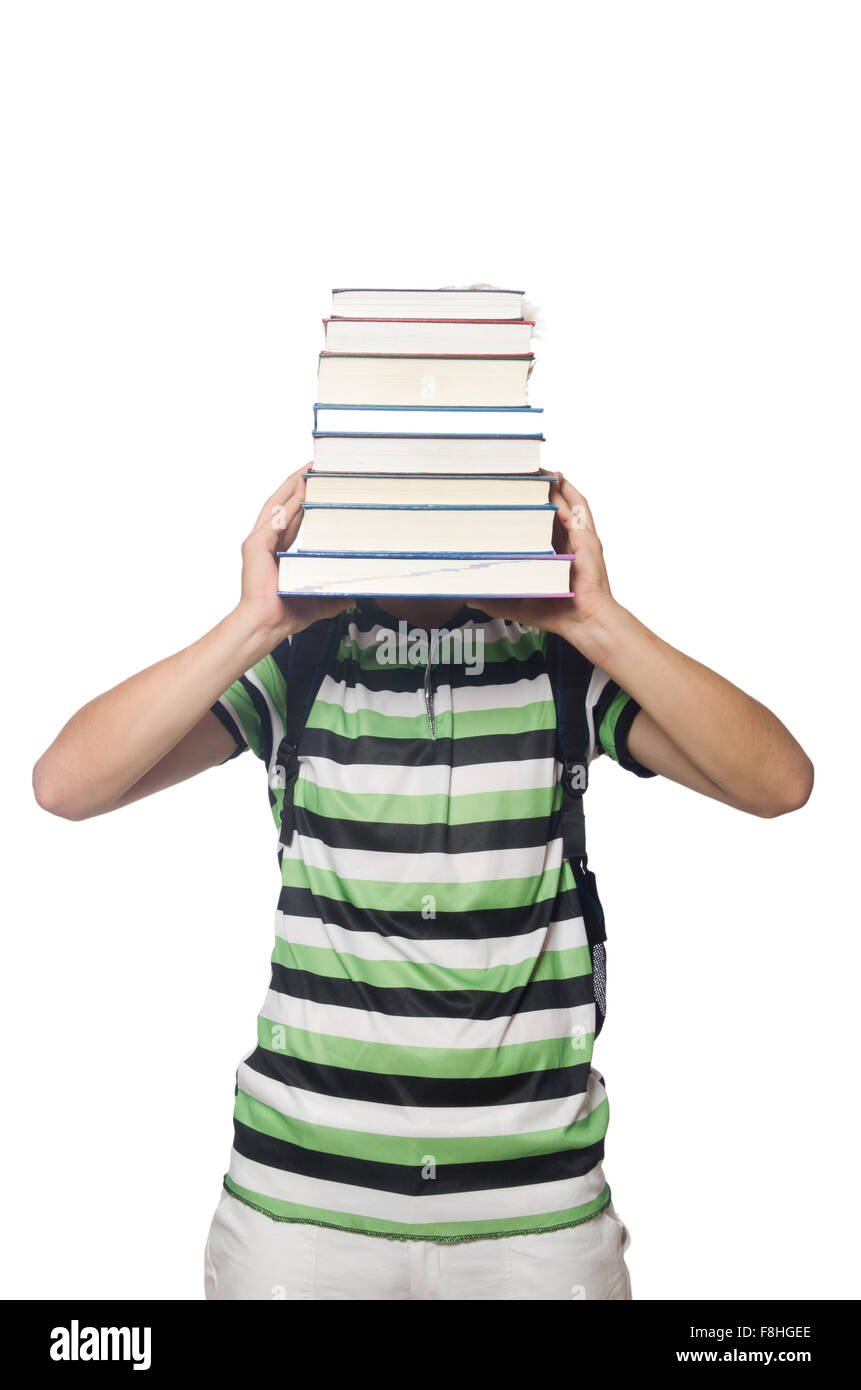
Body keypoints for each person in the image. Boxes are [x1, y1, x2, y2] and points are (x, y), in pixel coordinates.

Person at [33, 466, 813, 1301]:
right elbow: (68, 785)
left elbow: (776, 784)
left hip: (538, 1214)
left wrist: (595, 620)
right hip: (299, 1213)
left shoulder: (559, 665)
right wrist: (256, 621)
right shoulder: (299, 661)